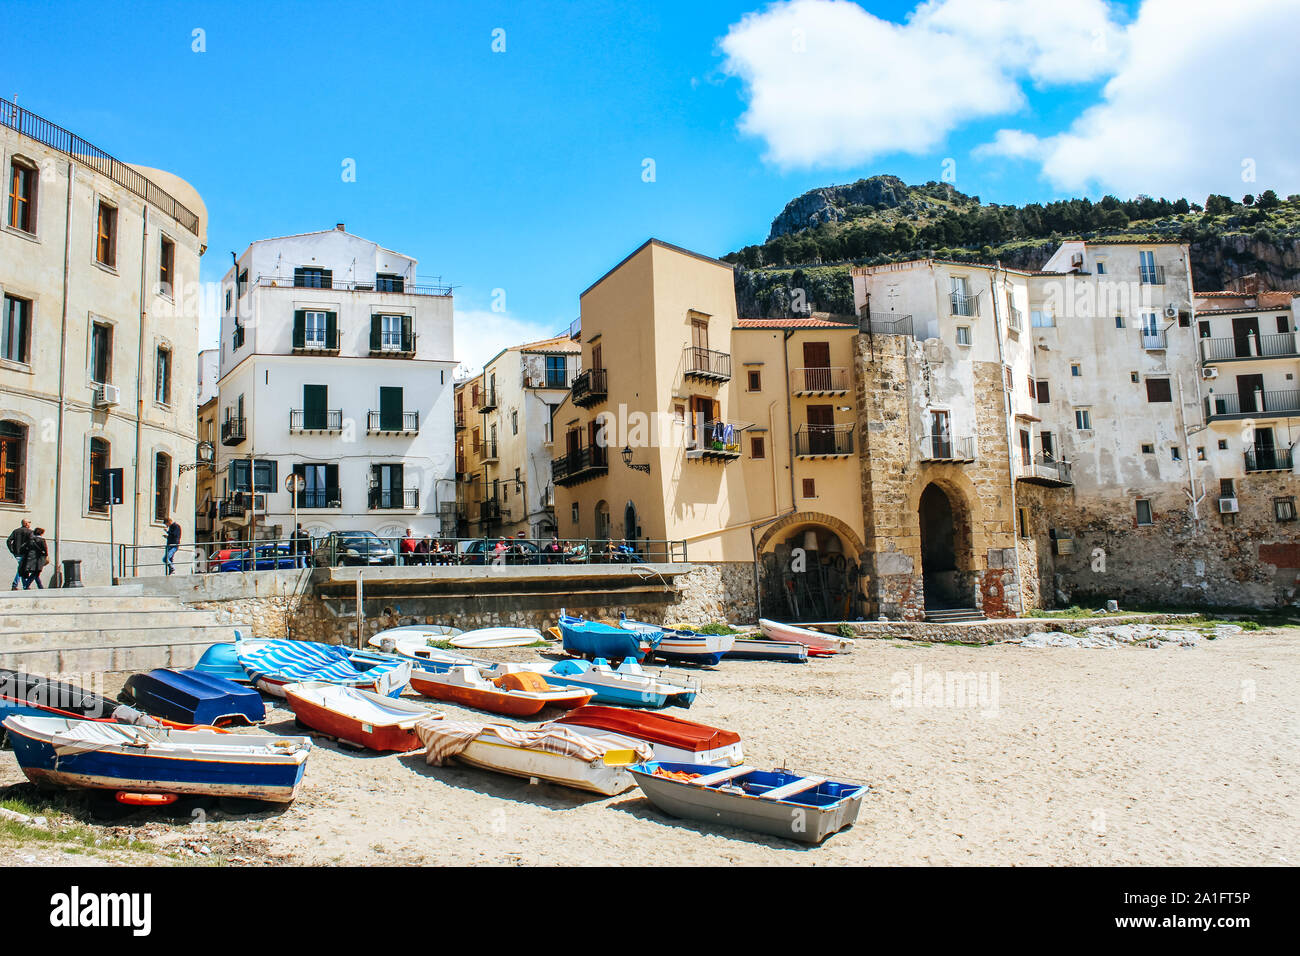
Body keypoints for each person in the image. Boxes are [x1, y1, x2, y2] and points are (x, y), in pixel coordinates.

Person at [7, 519, 31, 590]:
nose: (30, 524)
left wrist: (11, 550)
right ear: (26, 524)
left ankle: (25, 585)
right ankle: (15, 585)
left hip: (17, 553)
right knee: (21, 569)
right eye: (29, 522)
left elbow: (9, 540)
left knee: (22, 568)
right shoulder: (30, 532)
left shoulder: (16, 531)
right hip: (25, 553)